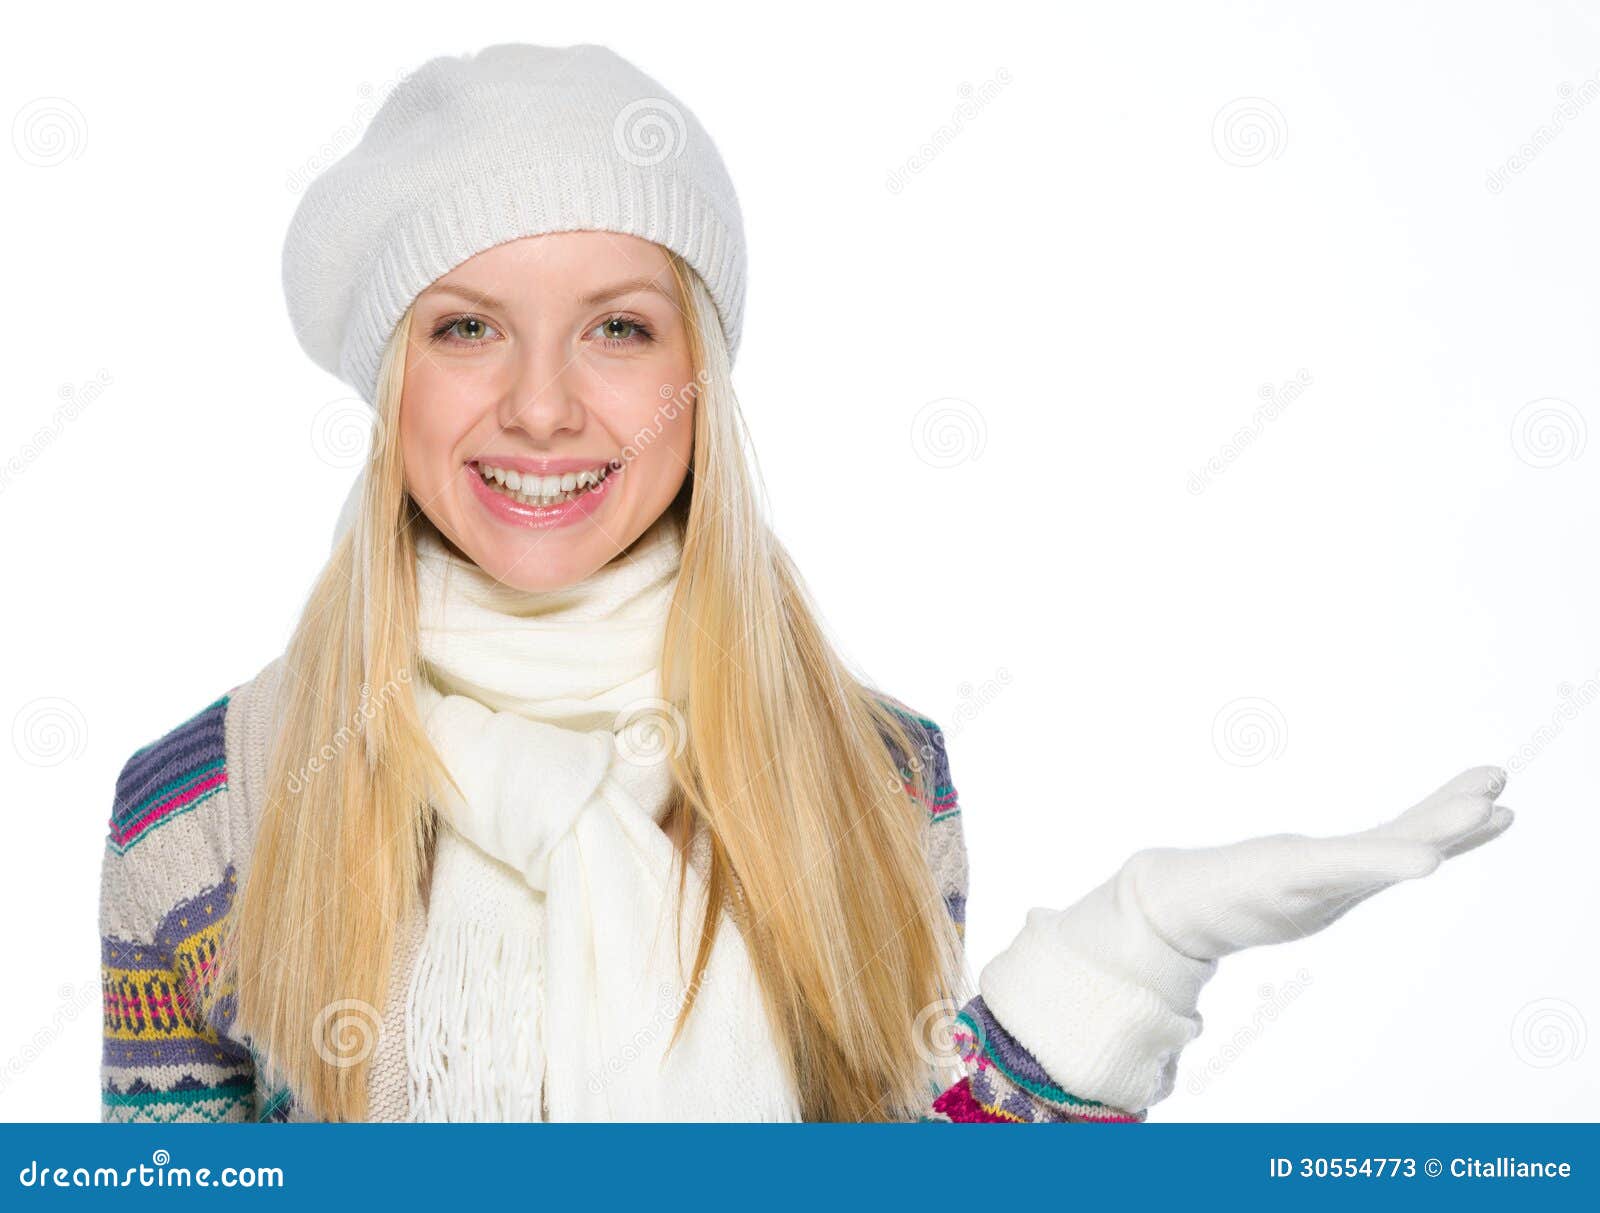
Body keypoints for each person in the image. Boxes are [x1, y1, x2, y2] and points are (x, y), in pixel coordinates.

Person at [98, 42, 1514, 1124]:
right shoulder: (200, 811)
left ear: (698, 380)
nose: (540, 407)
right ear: (389, 383)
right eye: (467, 328)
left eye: (618, 329)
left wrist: (1131, 951)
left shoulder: (876, 776)